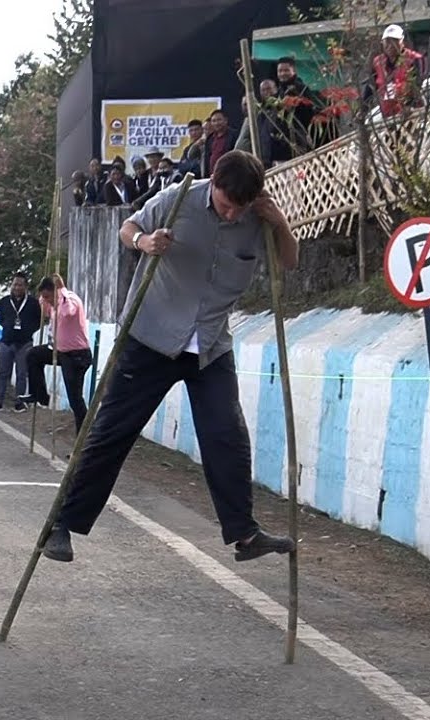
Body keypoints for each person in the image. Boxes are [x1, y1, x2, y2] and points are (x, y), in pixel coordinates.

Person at [42, 150, 299, 565]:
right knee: (111, 433)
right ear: (213, 183)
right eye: (225, 204)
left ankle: (245, 534)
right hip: (150, 336)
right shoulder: (178, 198)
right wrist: (145, 242)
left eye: (241, 207)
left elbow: (289, 260)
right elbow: (128, 229)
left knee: (227, 435)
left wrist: (279, 222)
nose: (232, 214)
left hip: (211, 345)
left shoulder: (257, 219)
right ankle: (63, 525)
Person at [22, 274, 92, 433]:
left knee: (75, 400)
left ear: (56, 292)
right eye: (43, 297)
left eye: (48, 296)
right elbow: (44, 312)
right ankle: (39, 395)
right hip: (59, 351)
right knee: (32, 355)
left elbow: (68, 313)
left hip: (77, 355)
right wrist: (44, 301)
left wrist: (62, 290)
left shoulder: (71, 300)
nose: (46, 300)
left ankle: (83, 442)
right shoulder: (50, 303)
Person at [0, 272, 41, 413]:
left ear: (25, 287)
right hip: (6, 342)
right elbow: (0, 318)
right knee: (2, 373)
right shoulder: (4, 301)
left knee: (22, 374)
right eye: (14, 284)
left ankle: (19, 402)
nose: (17, 287)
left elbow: (38, 322)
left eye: (20, 285)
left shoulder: (33, 303)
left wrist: (27, 331)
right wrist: (9, 327)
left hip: (24, 343)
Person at [365, 24, 426, 118]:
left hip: (412, 113)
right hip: (388, 115)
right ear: (382, 43)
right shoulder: (378, 62)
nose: (390, 45)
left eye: (394, 41)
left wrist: (409, 105)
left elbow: (417, 84)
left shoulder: (414, 59)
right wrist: (363, 109)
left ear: (402, 41)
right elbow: (370, 87)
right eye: (387, 42)